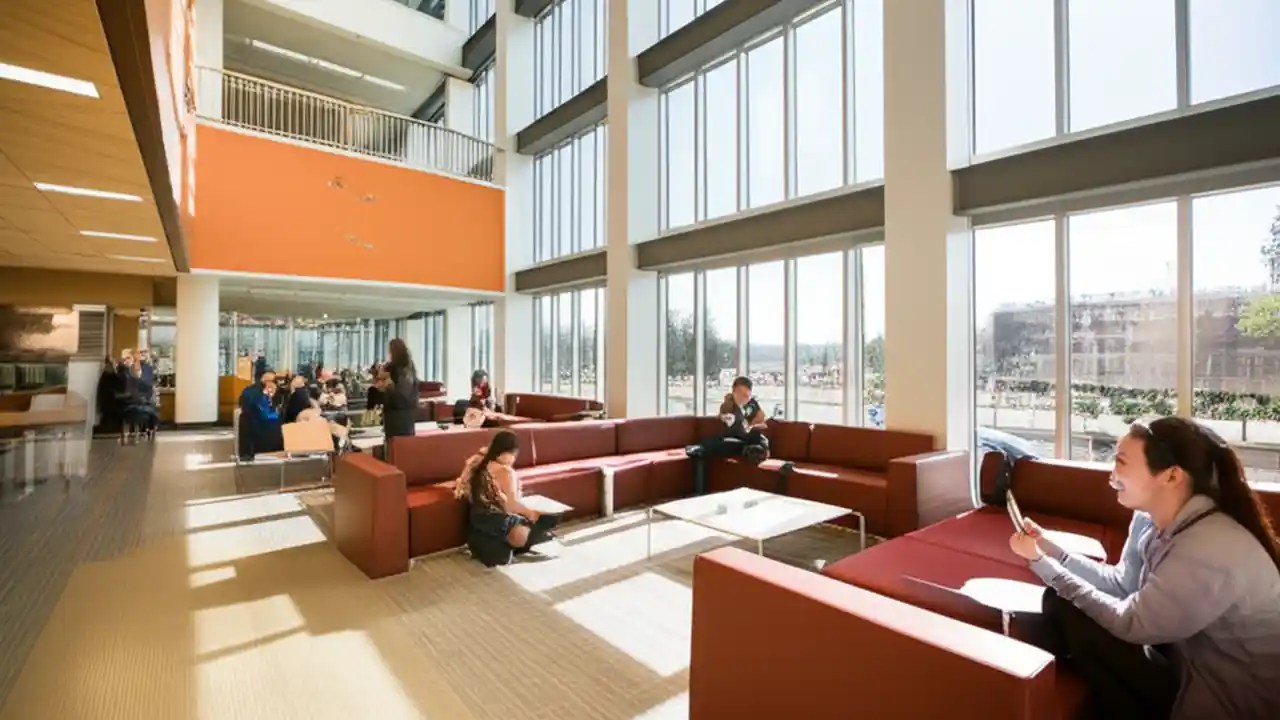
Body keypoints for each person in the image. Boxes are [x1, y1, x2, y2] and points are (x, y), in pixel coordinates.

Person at [1008, 417, 1280, 720]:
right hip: (1182, 658)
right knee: (1062, 602)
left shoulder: (1211, 547)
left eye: (1121, 462)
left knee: (1070, 606)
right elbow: (1123, 583)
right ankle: (1019, 661)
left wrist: (1041, 564)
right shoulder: (1149, 519)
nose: (1112, 475)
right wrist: (1049, 548)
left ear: (1171, 476)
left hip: (1227, 694)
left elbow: (1131, 623)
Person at [453, 430, 559, 566]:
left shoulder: (476, 461)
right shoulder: (506, 472)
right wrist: (532, 514)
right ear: (510, 452)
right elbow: (511, 506)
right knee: (544, 520)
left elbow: (462, 484)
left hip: (476, 518)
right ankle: (523, 542)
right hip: (499, 520)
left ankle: (491, 546)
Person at [684, 376, 772, 494]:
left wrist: (752, 425)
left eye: (746, 395)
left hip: (751, 438)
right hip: (737, 441)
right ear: (733, 392)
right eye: (740, 394)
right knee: (715, 442)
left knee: (755, 441)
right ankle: (701, 450)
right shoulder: (728, 403)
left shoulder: (751, 405)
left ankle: (758, 450)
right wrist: (723, 417)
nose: (743, 398)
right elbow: (722, 416)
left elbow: (763, 425)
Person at [379, 339, 418, 446]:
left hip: (396, 413)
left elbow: (400, 393)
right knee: (405, 446)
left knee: (395, 445)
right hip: (407, 413)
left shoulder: (396, 369)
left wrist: (388, 386)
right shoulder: (409, 367)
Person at [237, 368, 283, 459]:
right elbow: (252, 407)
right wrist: (266, 396)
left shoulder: (277, 392)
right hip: (256, 427)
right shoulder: (251, 391)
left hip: (270, 430)